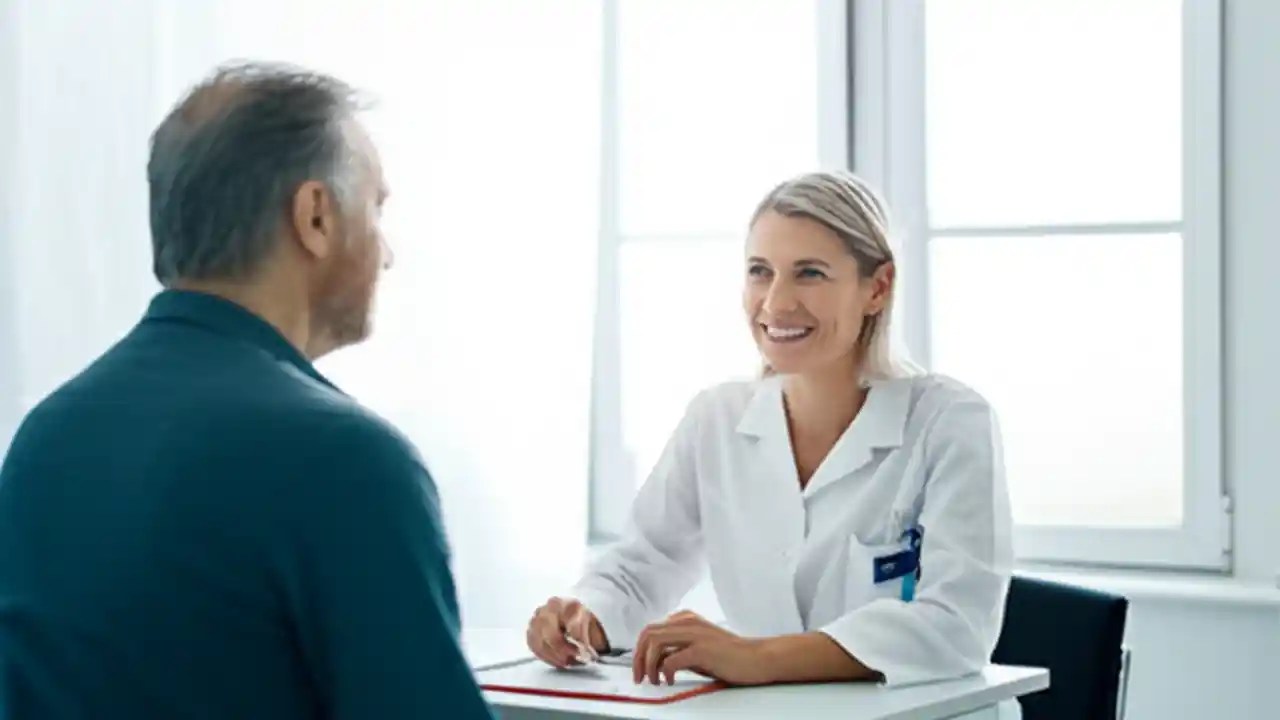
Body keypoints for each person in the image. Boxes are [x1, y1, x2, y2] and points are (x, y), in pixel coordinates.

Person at [0, 63, 493, 719]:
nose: (388, 253)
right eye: (375, 208)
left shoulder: (46, 438)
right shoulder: (345, 462)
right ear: (315, 215)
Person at [527, 171, 1013, 689]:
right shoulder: (716, 417)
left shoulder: (949, 421)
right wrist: (585, 618)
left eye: (810, 273)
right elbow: (643, 565)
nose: (776, 303)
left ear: (878, 287)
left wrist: (755, 657)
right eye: (761, 271)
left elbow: (956, 626)